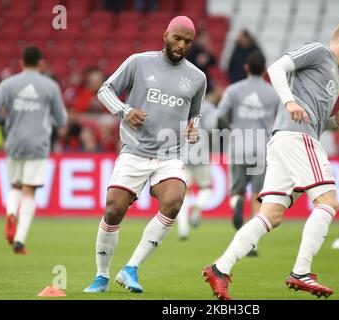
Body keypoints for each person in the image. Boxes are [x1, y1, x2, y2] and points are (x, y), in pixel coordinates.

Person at [203, 24, 339, 300]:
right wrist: (289, 101)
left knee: (270, 216)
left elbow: (313, 123)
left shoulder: (334, 79)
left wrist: (335, 122)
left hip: (287, 140)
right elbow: (276, 68)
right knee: (328, 202)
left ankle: (220, 268)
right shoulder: (319, 52)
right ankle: (301, 271)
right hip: (295, 139)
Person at [83, 16, 206, 293]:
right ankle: (102, 276)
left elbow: (195, 113)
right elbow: (105, 90)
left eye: (188, 41)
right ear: (165, 35)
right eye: (177, 38)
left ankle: (131, 268)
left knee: (174, 202)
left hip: (169, 155)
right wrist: (126, 112)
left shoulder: (198, 77)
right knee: (114, 210)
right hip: (135, 151)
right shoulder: (138, 62)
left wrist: (193, 128)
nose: (181, 45)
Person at [0, 46, 67, 254]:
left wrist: (10, 120)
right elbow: (62, 120)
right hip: (38, 144)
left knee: (15, 186)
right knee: (29, 191)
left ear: (21, 62)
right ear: (40, 63)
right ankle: (20, 240)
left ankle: (11, 212)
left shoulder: (8, 84)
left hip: (14, 142)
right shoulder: (50, 86)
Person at [217, 51, 280, 256]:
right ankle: (252, 243)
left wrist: (231, 127)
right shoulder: (272, 93)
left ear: (246, 68)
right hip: (261, 147)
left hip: (238, 145)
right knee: (257, 195)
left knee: (236, 191)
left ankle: (237, 204)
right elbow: (280, 121)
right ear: (264, 70)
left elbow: (220, 116)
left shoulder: (234, 90)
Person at [176, 92, 217, 240]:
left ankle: (183, 229)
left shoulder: (179, 102)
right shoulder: (208, 106)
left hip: (181, 152)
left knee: (182, 192)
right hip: (200, 152)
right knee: (206, 187)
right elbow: (212, 127)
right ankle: (198, 207)